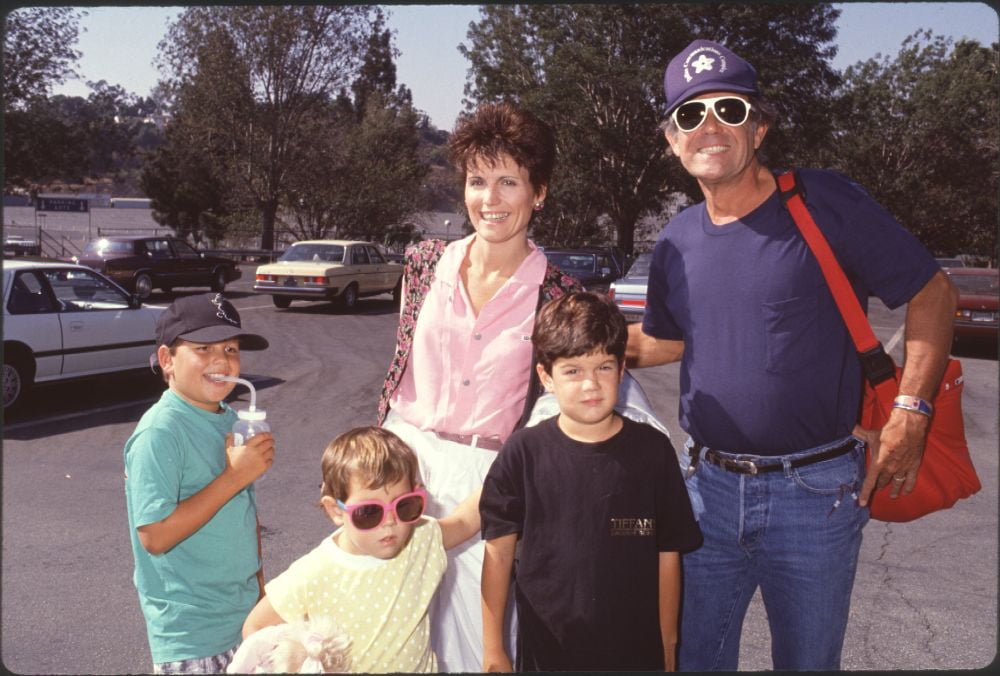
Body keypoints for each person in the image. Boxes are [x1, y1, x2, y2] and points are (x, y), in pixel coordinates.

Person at [626, 39, 957, 670]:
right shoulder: (677, 238)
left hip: (816, 494)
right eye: (691, 116)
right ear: (672, 140)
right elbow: (664, 340)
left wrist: (912, 409)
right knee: (693, 659)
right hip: (706, 493)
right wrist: (556, 341)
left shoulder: (823, 201)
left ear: (759, 125)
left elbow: (932, 292)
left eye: (728, 108)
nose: (711, 127)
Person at [375, 101, 582, 671]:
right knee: (387, 643)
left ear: (539, 192)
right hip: (400, 470)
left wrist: (474, 514)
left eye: (508, 182)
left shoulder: (560, 297)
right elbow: (399, 375)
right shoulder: (421, 265)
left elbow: (549, 426)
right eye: (477, 181)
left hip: (489, 482)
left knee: (477, 648)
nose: (489, 199)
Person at [480, 291, 703, 672]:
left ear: (621, 371)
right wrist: (493, 649)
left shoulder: (653, 452)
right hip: (546, 653)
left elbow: (668, 555)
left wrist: (668, 645)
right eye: (573, 371)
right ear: (545, 376)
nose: (591, 385)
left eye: (603, 367)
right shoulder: (523, 453)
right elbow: (498, 555)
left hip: (634, 654)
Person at [240, 426, 483, 673]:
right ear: (336, 511)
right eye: (369, 512)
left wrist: (510, 465)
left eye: (404, 506)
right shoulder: (315, 572)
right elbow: (256, 626)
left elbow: (465, 521)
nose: (390, 521)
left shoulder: (421, 539)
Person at [124, 292, 275, 673]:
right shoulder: (160, 432)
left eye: (230, 348)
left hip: (242, 617)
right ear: (166, 360)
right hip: (193, 634)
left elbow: (245, 514)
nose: (222, 360)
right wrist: (236, 475)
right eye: (203, 348)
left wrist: (261, 592)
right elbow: (154, 536)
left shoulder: (229, 420)